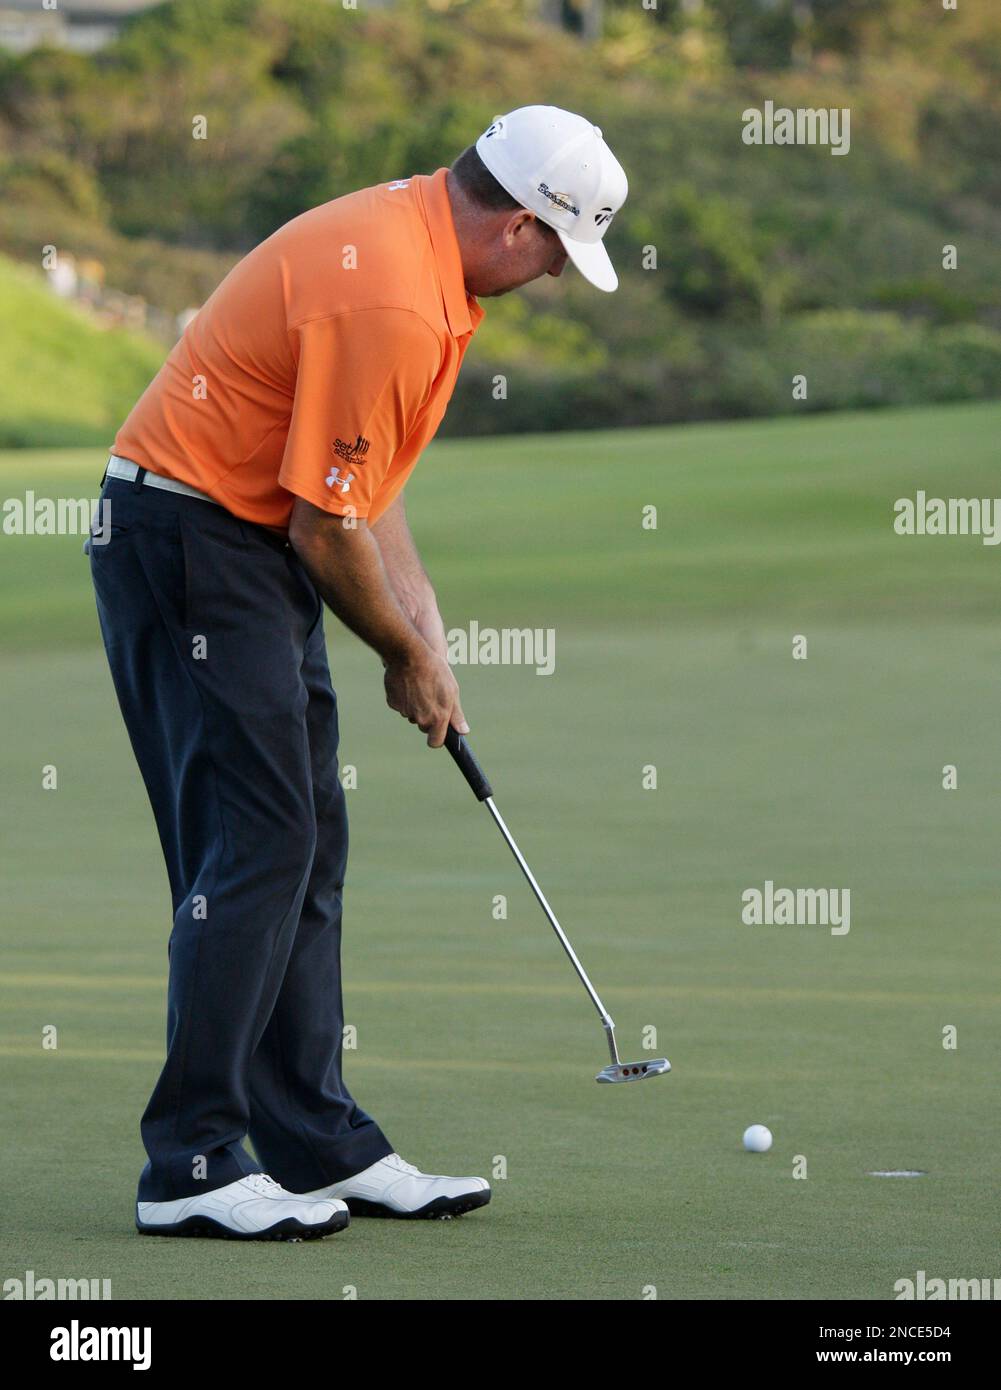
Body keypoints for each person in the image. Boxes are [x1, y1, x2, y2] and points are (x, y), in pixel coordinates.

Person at [89, 105, 628, 1241]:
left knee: (306, 841)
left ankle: (316, 1143)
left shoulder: (421, 252)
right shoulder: (388, 287)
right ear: (523, 227)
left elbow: (362, 491)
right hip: (188, 541)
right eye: (556, 255)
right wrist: (401, 658)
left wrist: (425, 634)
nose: (549, 279)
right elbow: (325, 527)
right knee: (258, 842)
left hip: (239, 539)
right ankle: (187, 1160)